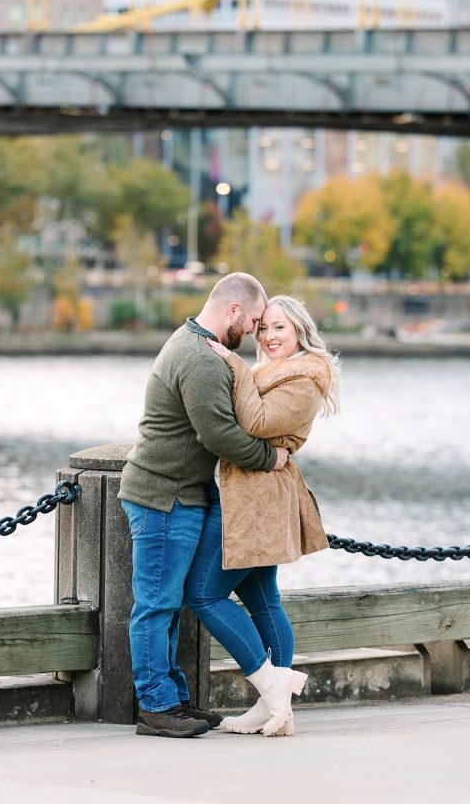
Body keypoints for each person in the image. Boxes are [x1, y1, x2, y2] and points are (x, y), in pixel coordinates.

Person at [119, 272, 291, 739]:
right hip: (163, 497)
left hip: (181, 495)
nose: (255, 331)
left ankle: (174, 699)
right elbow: (219, 435)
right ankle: (156, 707)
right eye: (254, 320)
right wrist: (271, 458)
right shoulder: (199, 358)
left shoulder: (197, 345)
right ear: (233, 310)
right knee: (156, 605)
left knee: (169, 604)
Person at [184, 294, 340, 737]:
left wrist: (231, 365)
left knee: (204, 595)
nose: (269, 336)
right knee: (262, 599)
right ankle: (274, 708)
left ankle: (273, 689)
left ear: (300, 334)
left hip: (258, 499)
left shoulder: (304, 380)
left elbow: (254, 421)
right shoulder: (269, 372)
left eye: (280, 329)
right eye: (265, 327)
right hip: (247, 492)